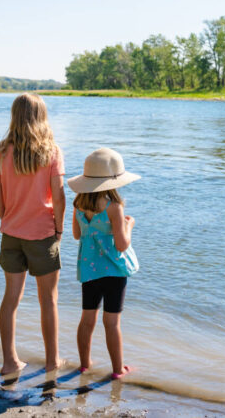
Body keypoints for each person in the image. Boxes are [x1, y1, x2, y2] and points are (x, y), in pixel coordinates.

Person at [0, 93, 66, 375]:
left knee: (11, 299)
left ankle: (9, 362)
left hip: (11, 233)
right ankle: (52, 361)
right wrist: (58, 229)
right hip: (42, 234)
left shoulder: (0, 152)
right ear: (41, 117)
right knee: (48, 300)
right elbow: (58, 197)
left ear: (14, 116)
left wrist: (9, 220)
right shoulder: (51, 152)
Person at [67, 147, 140, 379]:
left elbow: (77, 235)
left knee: (87, 319)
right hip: (114, 272)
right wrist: (129, 225)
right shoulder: (114, 208)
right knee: (112, 322)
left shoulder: (78, 205)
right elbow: (121, 245)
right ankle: (118, 370)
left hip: (89, 269)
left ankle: (84, 364)